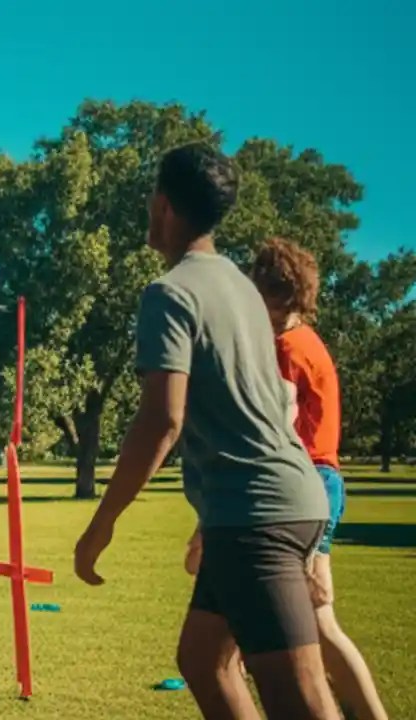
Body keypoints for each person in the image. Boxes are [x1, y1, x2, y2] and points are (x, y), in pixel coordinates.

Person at [72, 143, 339, 719]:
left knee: (300, 696)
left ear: (162, 206)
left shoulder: (169, 293)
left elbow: (161, 421)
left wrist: (101, 524)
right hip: (267, 503)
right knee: (203, 660)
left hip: (257, 514)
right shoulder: (241, 287)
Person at [248, 237, 388, 719]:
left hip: (306, 484)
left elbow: (275, 430)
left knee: (320, 622)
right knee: (317, 622)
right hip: (319, 482)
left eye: (266, 302)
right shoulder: (305, 340)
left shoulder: (287, 349)